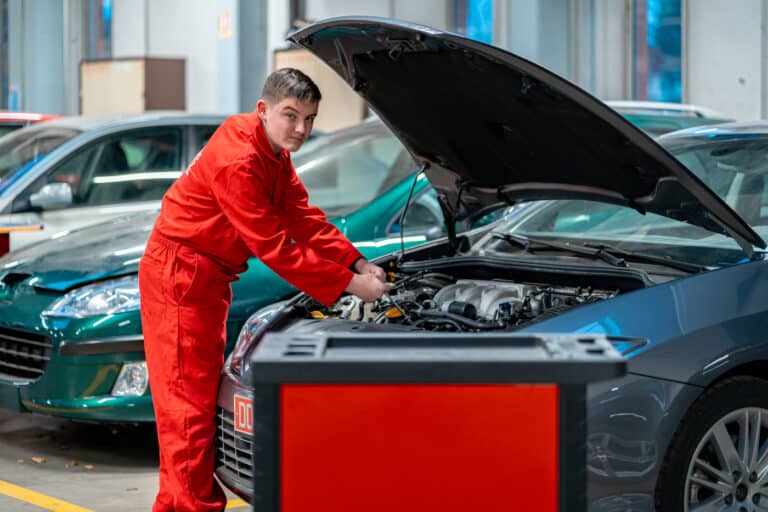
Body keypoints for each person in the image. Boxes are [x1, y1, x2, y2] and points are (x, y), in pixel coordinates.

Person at [138, 68, 390, 512]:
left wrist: (355, 260)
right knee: (187, 414)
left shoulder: (270, 152)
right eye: (291, 116)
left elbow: (302, 217)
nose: (301, 129)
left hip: (206, 278)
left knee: (192, 405)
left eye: (309, 119)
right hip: (179, 277)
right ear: (263, 110)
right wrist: (349, 285)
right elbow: (274, 246)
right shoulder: (239, 160)